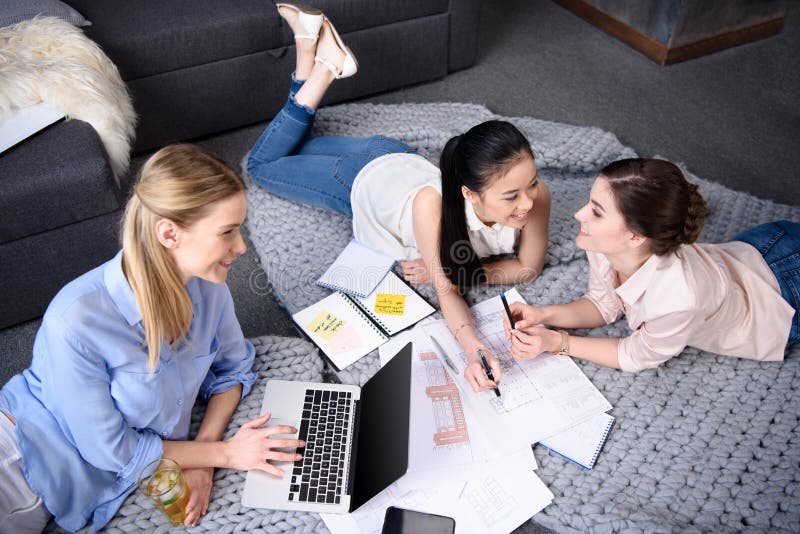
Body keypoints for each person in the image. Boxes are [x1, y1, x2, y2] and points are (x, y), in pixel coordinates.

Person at [0, 145, 305, 532]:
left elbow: (234, 370)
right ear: (169, 234)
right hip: (19, 458)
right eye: (228, 232)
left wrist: (204, 459)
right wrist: (227, 453)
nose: (242, 247)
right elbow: (112, 451)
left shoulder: (208, 285)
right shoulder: (76, 320)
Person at [248, 4, 551, 392]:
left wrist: (462, 269)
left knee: (295, 138)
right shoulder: (434, 207)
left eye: (531, 183)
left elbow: (528, 268)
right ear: (468, 193)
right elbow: (447, 292)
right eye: (511, 196)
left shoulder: (537, 196)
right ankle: (325, 66)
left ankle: (309, 46)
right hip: (360, 181)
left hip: (397, 155)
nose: (527, 202)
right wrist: (470, 338)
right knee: (263, 163)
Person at [503, 157, 799, 372]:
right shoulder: (602, 242)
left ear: (634, 237)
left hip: (784, 294)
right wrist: (542, 313)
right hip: (763, 244)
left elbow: (636, 355)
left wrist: (558, 343)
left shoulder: (678, 297)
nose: (580, 215)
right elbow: (605, 305)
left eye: (596, 212)